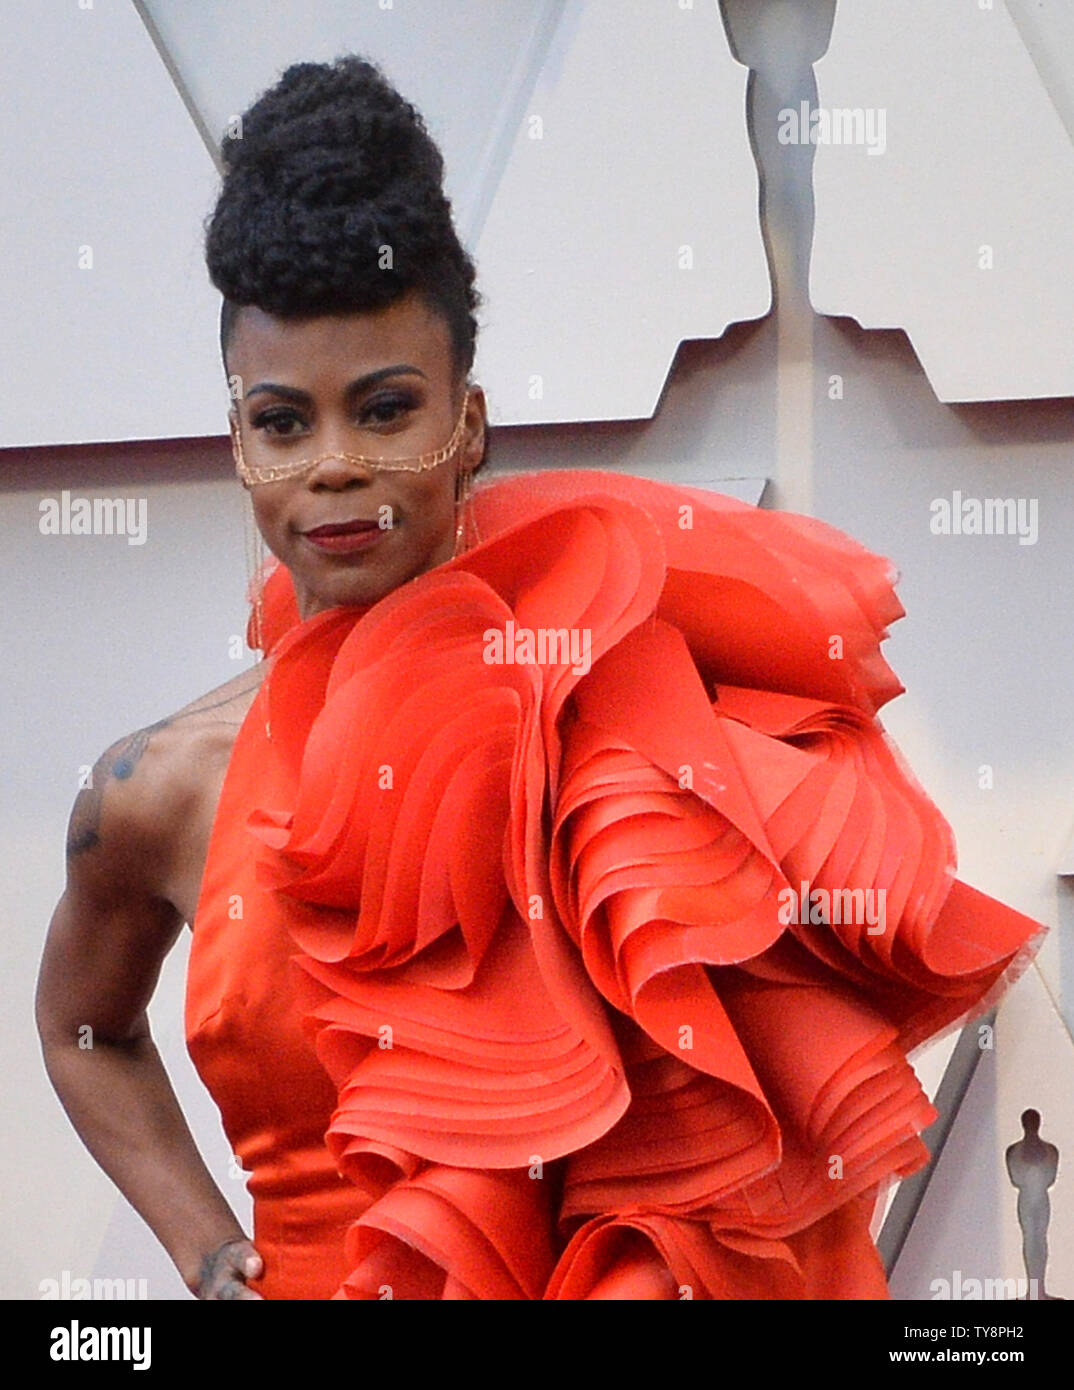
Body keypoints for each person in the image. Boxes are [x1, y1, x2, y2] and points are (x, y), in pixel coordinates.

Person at [36, 54, 1043, 1301]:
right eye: (283, 421)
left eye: (385, 409)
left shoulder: (641, 723)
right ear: (239, 439)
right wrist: (204, 1251)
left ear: (468, 421)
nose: (334, 464)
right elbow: (83, 1029)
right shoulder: (156, 788)